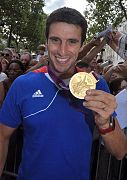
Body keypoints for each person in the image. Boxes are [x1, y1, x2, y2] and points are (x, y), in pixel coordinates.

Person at [0, 7, 127, 180]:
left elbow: (120, 152)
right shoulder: (23, 85)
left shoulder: (97, 85)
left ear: (81, 44)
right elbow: (2, 137)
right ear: (46, 41)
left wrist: (105, 123)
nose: (62, 50)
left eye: (72, 42)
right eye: (55, 40)